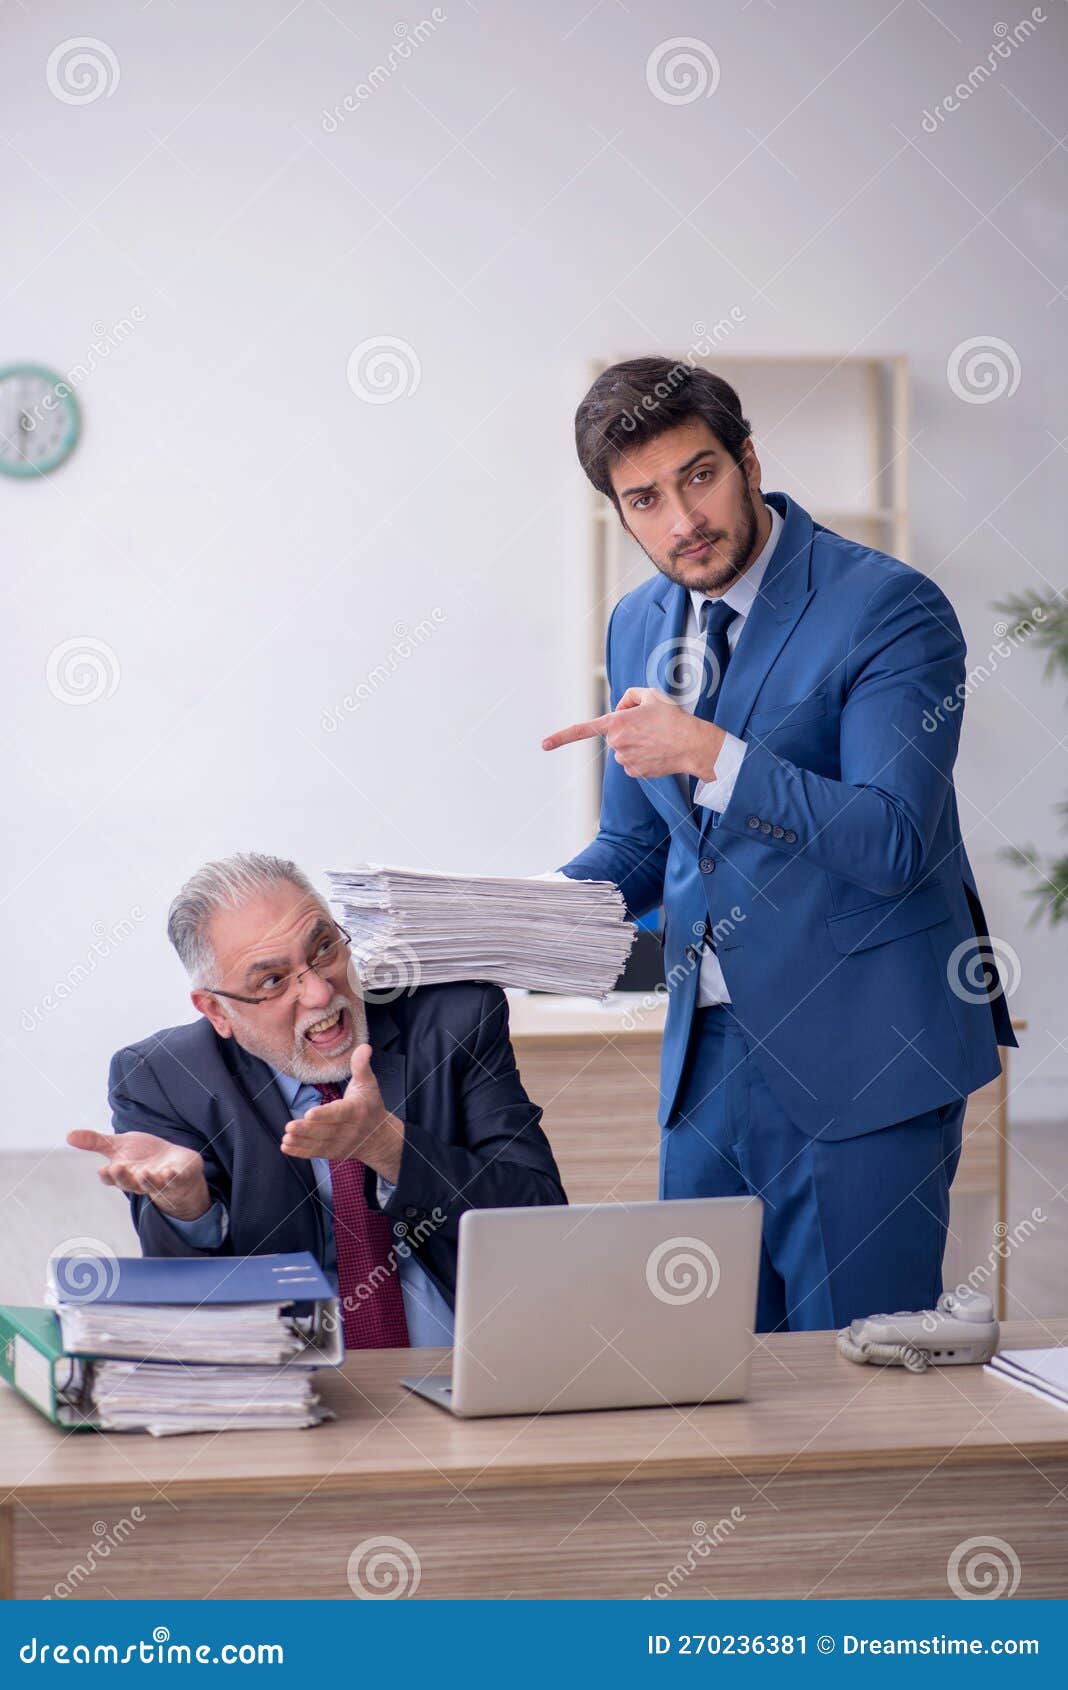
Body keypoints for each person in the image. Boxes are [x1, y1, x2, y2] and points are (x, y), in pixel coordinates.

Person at [543, 356, 1015, 1334]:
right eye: (645, 499)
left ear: (748, 460)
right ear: (620, 514)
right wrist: (504, 919)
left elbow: (894, 839)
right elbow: (638, 848)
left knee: (857, 1379)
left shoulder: (888, 606)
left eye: (699, 476)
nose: (683, 520)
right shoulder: (636, 623)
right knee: (703, 1363)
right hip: (705, 1060)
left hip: (867, 1057)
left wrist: (711, 754)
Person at [68, 852, 566, 1348]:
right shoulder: (163, 1078)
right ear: (216, 1010)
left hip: (464, 1360)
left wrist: (391, 1149)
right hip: (293, 1371)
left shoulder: (455, 1020)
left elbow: (538, 1218)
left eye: (324, 948)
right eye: (272, 980)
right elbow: (191, 1313)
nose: (320, 994)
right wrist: (188, 1207)